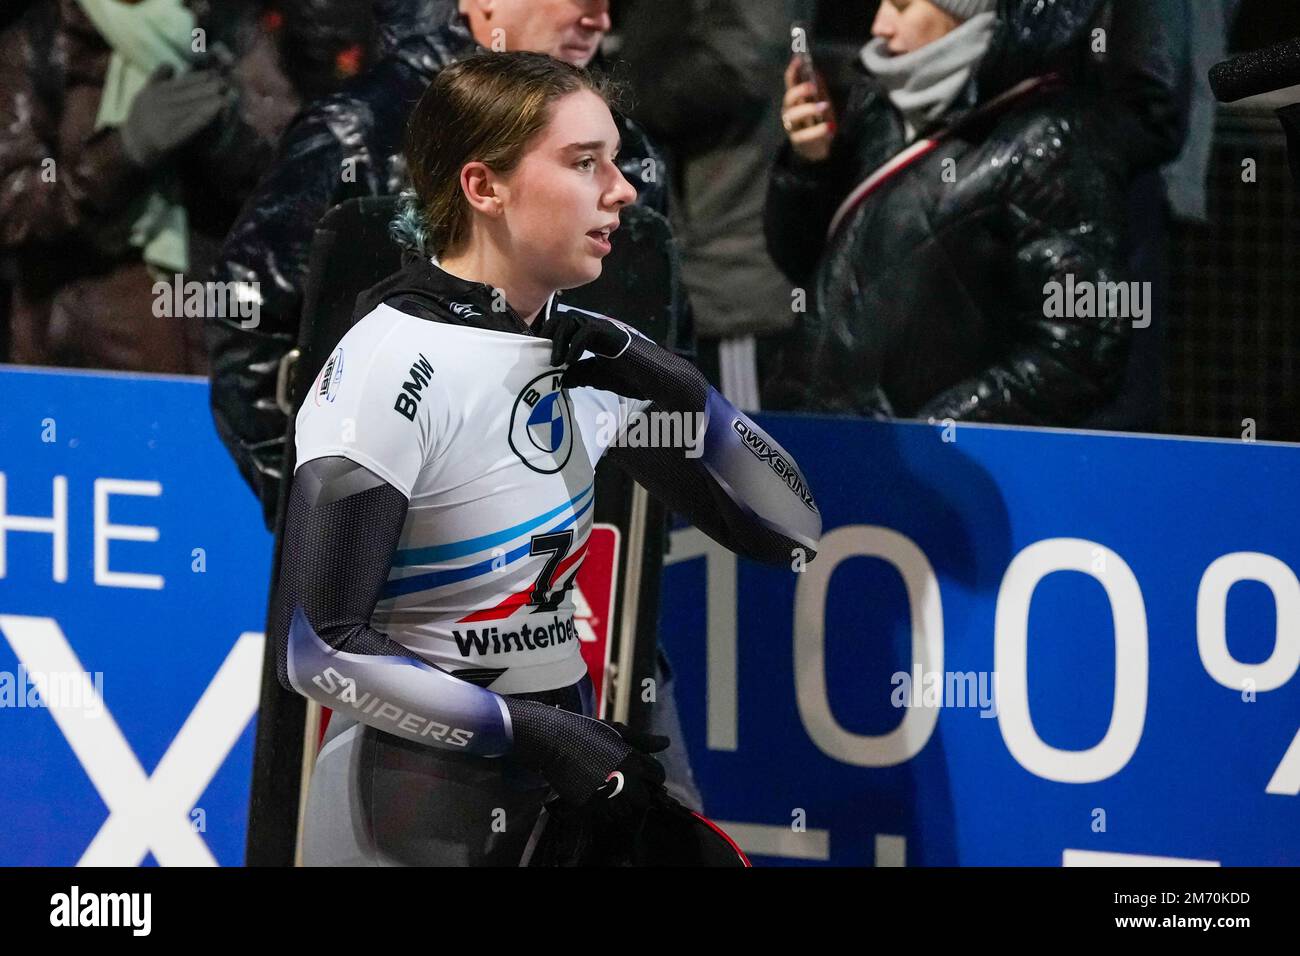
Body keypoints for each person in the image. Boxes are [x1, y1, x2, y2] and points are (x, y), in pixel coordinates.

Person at [268, 52, 822, 866]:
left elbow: (793, 531)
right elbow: (317, 650)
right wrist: (531, 729)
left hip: (555, 787)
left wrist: (691, 398)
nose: (623, 189)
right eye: (584, 162)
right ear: (483, 188)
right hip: (411, 805)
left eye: (617, 160)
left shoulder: (584, 355)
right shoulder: (391, 362)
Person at [208, 0, 672, 531]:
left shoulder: (631, 156)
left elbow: (661, 336)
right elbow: (245, 316)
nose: (599, 19)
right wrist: (324, 512)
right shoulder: (359, 130)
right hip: (399, 549)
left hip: (575, 542)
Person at [762, 0, 1181, 425]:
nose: (880, 26)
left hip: (925, 475)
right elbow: (806, 265)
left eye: (903, 6)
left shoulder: (1049, 142)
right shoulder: (878, 110)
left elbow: (1081, 349)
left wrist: (935, 435)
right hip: (829, 449)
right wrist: (808, 166)